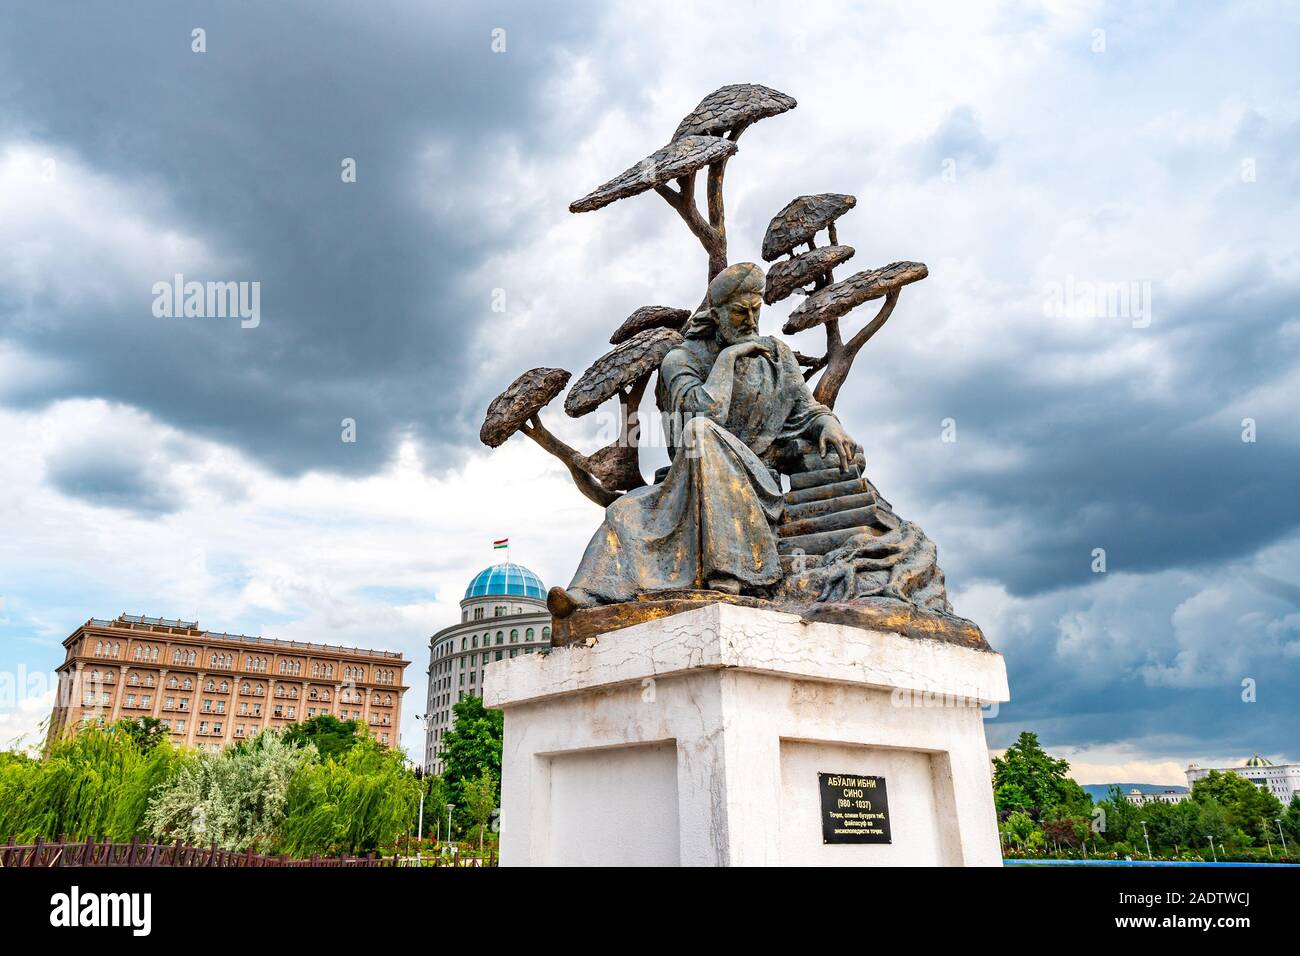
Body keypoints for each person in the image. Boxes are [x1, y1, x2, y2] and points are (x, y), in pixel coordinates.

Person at [549, 262, 859, 614]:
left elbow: (807, 409)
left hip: (754, 481)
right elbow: (701, 417)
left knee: (703, 435)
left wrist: (828, 423)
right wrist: (728, 358)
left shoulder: (776, 355)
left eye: (756, 310)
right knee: (625, 509)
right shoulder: (679, 361)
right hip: (689, 479)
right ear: (715, 315)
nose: (752, 322)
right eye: (740, 313)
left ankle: (729, 574)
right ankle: (586, 597)